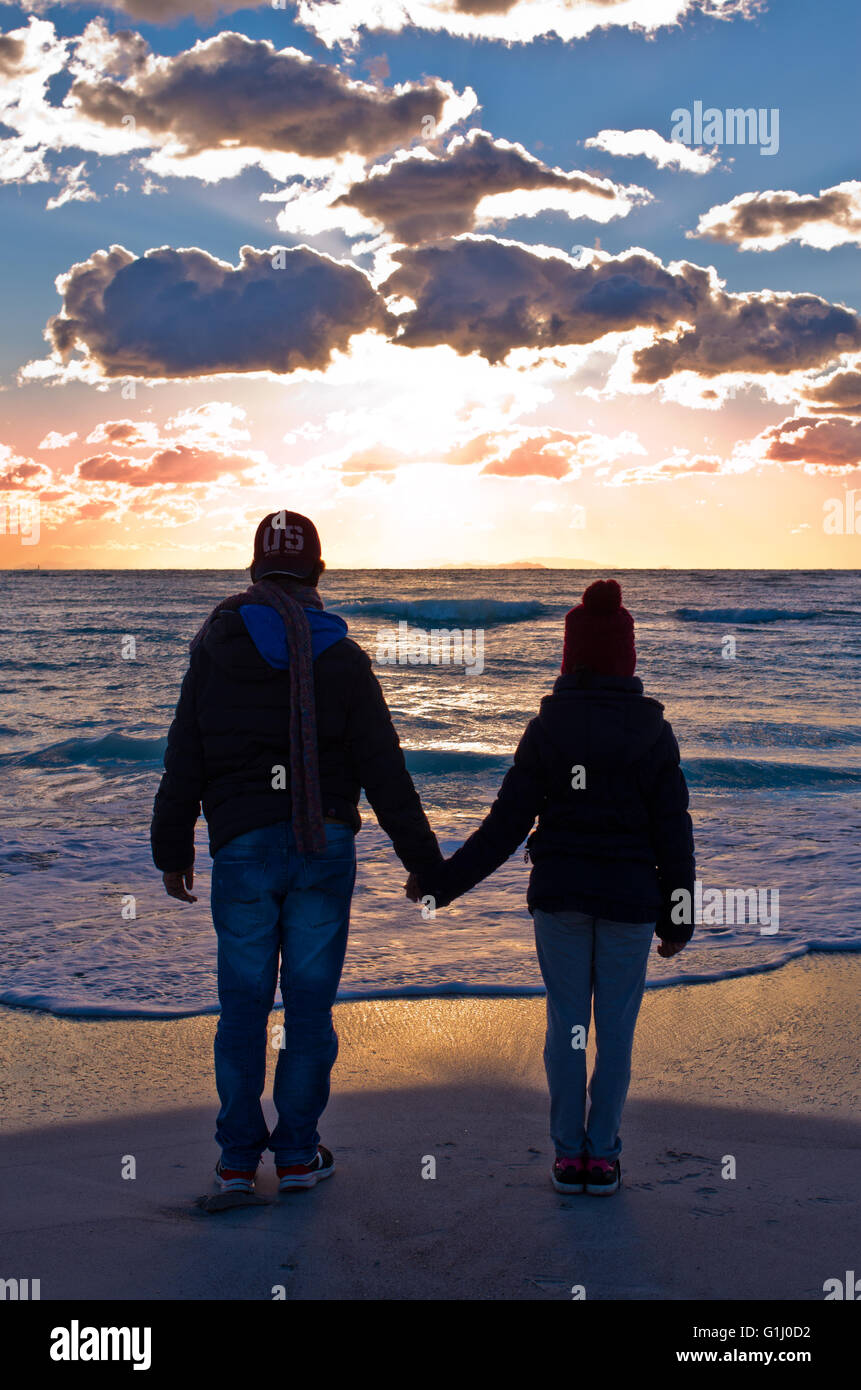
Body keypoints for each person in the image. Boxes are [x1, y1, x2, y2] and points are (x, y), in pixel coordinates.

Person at [151, 510, 443, 1194]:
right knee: (308, 1008)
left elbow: (184, 754)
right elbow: (384, 767)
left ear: (253, 569)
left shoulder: (216, 645)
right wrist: (424, 863)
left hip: (243, 846)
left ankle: (233, 1158)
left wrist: (173, 847)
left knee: (243, 1005)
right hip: (323, 846)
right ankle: (296, 1154)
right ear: (318, 571)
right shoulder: (338, 654)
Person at [407, 579, 695, 1196]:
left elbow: (506, 825)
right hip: (630, 905)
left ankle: (570, 1156)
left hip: (560, 898)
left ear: (570, 656)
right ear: (628, 657)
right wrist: (680, 918)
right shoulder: (653, 733)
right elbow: (675, 833)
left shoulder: (548, 728)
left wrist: (444, 884)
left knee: (567, 1023)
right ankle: (605, 1155)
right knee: (615, 1032)